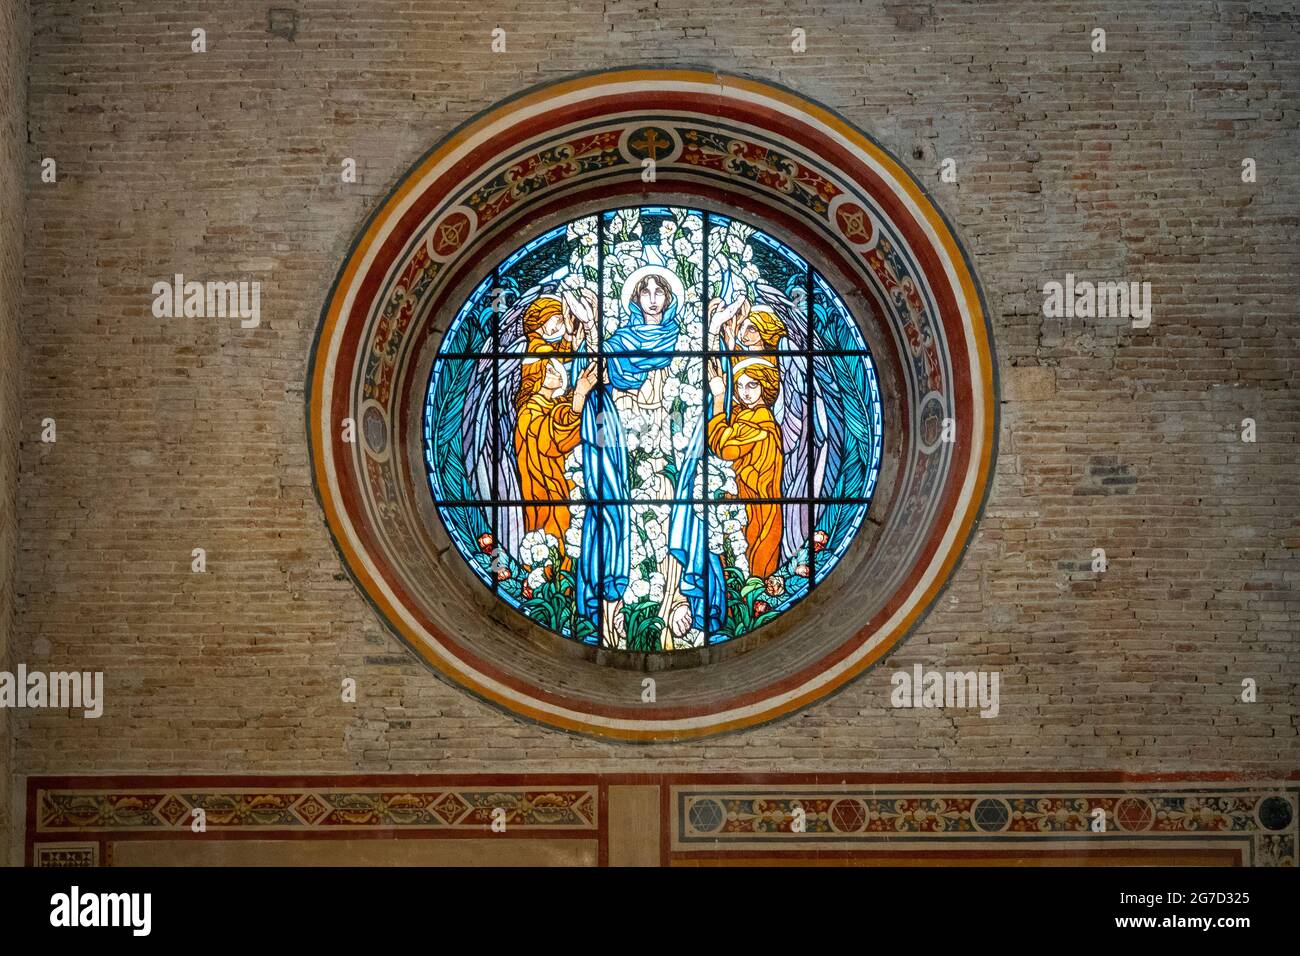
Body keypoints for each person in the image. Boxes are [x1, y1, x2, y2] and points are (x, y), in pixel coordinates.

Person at [706, 357, 784, 579]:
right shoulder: (744, 414)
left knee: (749, 561)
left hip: (756, 504)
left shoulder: (761, 421)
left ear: (765, 386)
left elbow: (725, 448)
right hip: (742, 500)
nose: (745, 392)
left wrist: (719, 399)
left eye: (752, 385)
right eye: (739, 385)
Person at [514, 357, 598, 555]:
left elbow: (562, 414)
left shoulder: (553, 404)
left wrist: (578, 393)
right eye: (549, 370)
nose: (557, 373)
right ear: (537, 377)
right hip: (545, 491)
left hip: (563, 484)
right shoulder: (528, 412)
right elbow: (552, 442)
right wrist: (578, 397)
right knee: (555, 535)